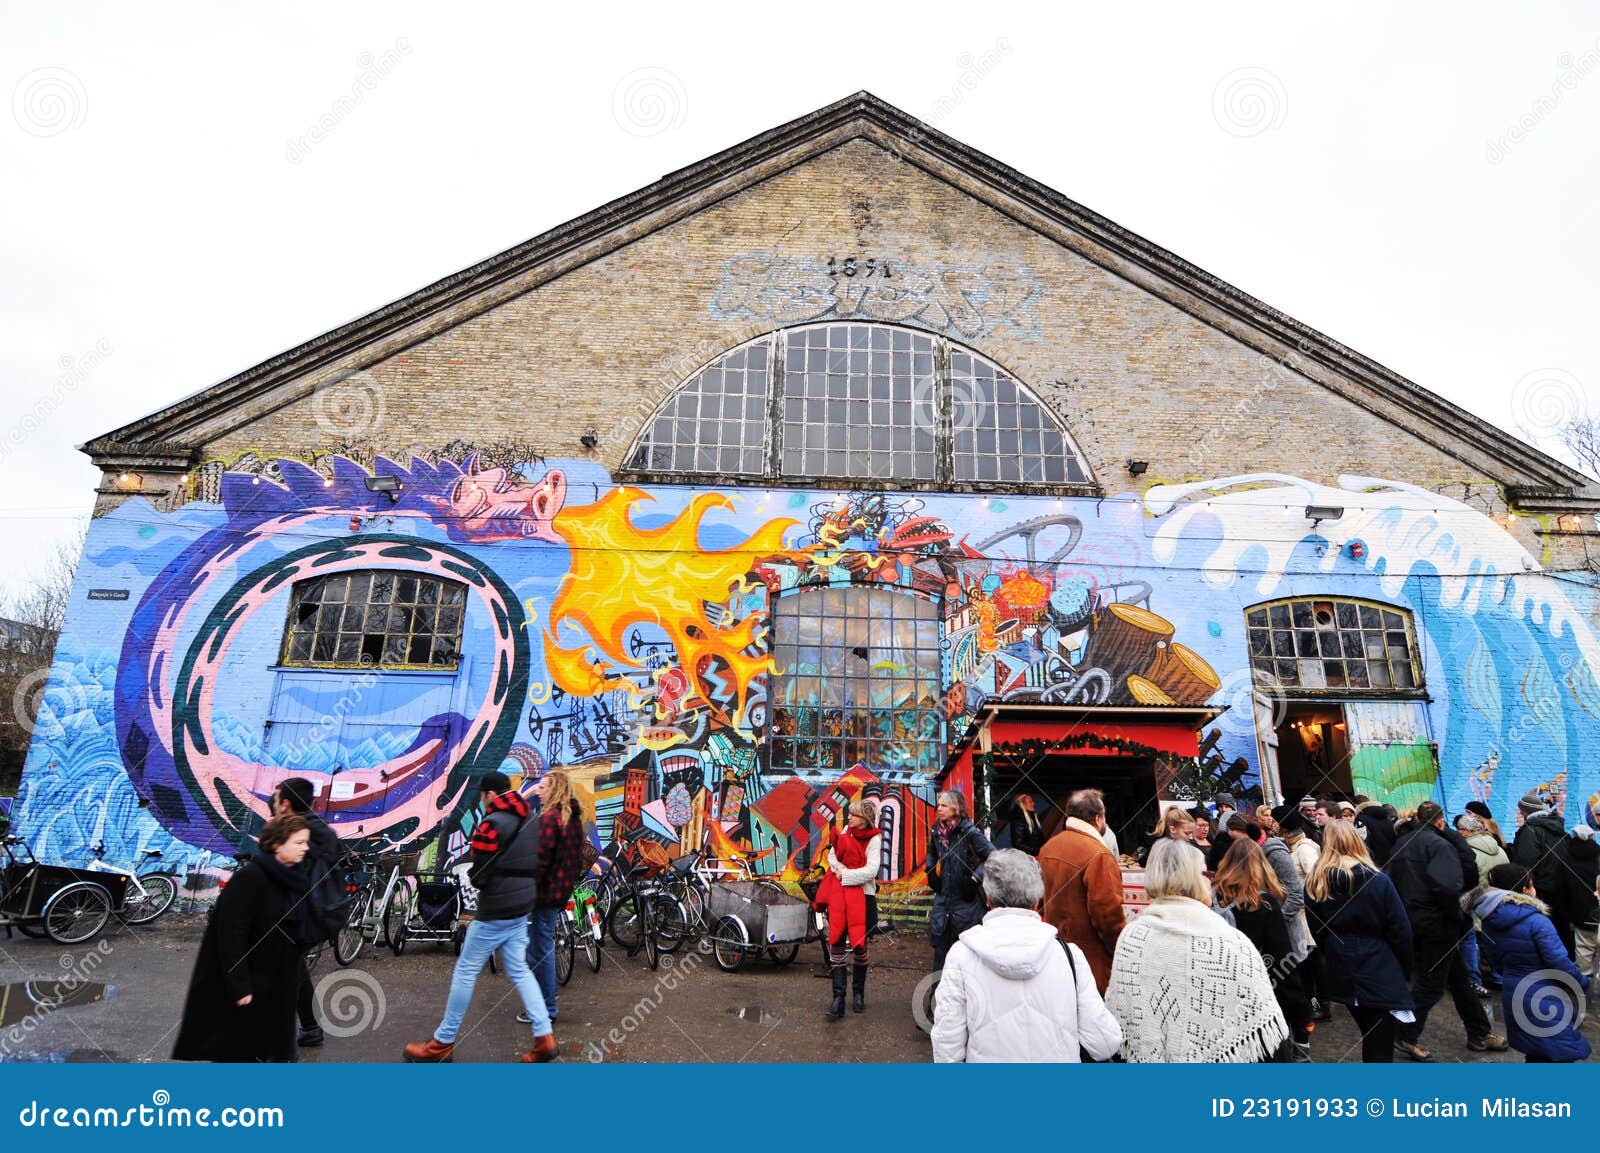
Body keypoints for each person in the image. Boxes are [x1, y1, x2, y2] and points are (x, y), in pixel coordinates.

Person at [404, 772, 557, 1063]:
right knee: (520, 970)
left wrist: (481, 880)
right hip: (521, 906)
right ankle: (544, 1036)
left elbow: (479, 867)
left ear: (488, 794)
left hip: (494, 911)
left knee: (465, 971)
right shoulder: (532, 819)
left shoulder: (491, 824)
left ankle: (442, 1042)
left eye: (481, 795)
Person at [931, 849, 1122, 1062]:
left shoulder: (961, 955)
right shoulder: (1070, 957)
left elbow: (947, 1048)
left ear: (988, 899)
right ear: (1037, 902)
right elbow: (1105, 1042)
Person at [1105, 840, 1288, 1062]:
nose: (1210, 879)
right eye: (1204, 873)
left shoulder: (1132, 937)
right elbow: (1267, 1042)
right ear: (1192, 879)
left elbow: (1119, 1024)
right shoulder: (1232, 943)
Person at [173, 815, 314, 1062]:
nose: (306, 847)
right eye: (299, 842)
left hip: (278, 985)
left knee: (275, 1052)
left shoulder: (292, 877)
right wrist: (240, 986)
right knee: (240, 1053)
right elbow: (230, 935)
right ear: (278, 844)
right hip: (250, 987)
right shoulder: (251, 878)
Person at [1384, 801, 1503, 1060]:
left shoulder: (1402, 843)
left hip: (1412, 921)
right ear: (1440, 822)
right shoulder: (1439, 845)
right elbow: (1449, 886)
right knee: (1431, 984)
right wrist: (1455, 916)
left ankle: (1479, 1031)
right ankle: (1405, 1034)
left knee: (1458, 979)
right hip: (1436, 923)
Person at [1302, 820, 1414, 1062]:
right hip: (1377, 963)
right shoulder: (1378, 880)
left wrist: (1331, 952)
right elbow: (1400, 929)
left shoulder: (1316, 882)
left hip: (1340, 963)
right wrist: (1404, 968)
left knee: (1372, 1033)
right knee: (1380, 1041)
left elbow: (1317, 928)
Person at [1470, 864, 1592, 1063]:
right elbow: (1558, 961)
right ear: (1525, 890)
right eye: (1531, 885)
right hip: (1544, 993)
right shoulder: (1537, 921)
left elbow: (1494, 960)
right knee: (1560, 1052)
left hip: (1514, 990)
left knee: (1536, 1050)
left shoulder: (1489, 920)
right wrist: (1582, 981)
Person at [1214, 839, 1313, 1060]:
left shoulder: (1214, 903)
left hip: (1225, 1002)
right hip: (1262, 1000)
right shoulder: (1264, 905)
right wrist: (1300, 1007)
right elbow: (1282, 960)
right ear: (1261, 866)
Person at [270, 777, 339, 1049]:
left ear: (285, 803)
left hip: (292, 915)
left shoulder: (294, 832)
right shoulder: (321, 829)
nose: (272, 803)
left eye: (276, 798)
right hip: (313, 914)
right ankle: (310, 1028)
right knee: (294, 969)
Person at [1038, 788, 1127, 992]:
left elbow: (1041, 904)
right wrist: (1119, 953)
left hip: (1056, 956)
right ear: (1097, 819)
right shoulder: (1098, 854)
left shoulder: (1048, 848)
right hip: (1091, 964)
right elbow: (1108, 917)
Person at [521, 769, 587, 1028]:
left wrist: (525, 888)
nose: (539, 791)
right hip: (559, 891)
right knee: (538, 946)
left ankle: (545, 1007)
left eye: (543, 787)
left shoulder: (550, 818)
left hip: (542, 893)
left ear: (555, 789)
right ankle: (543, 1004)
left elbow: (539, 860)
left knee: (538, 949)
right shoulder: (571, 818)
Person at [816, 798, 881, 1019]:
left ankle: (858, 993)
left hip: (863, 897)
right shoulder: (846, 831)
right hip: (840, 896)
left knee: (860, 946)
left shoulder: (874, 839)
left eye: (854, 815)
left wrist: (847, 876)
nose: (849, 817)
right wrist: (840, 868)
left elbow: (871, 870)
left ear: (865, 820)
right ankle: (838, 998)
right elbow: (832, 855)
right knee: (836, 942)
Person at [924, 790, 994, 969]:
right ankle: (936, 996)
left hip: (966, 903)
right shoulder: (936, 831)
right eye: (938, 805)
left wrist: (975, 877)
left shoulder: (969, 832)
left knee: (965, 958)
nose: (938, 808)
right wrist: (931, 871)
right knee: (940, 957)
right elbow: (932, 851)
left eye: (943, 805)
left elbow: (993, 856)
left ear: (955, 808)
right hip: (943, 901)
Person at [1456, 812, 1509, 994]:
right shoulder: (1500, 849)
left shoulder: (1467, 853)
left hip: (1475, 902)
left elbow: (1464, 881)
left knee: (1470, 942)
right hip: (1498, 902)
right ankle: (1498, 976)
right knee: (1492, 941)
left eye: (1459, 829)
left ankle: (1474, 980)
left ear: (1466, 831)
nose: (1458, 833)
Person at [1550, 823, 1599, 983]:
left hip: (1580, 914)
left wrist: (1566, 914)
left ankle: (1584, 984)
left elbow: (1560, 890)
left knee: (1583, 951)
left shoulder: (1565, 859)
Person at [1511, 790, 1567, 908]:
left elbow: (1526, 863)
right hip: (1559, 891)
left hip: (1537, 893)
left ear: (1525, 813)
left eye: (1520, 812)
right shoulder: (1559, 830)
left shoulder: (1530, 831)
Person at [1353, 797, 1396, 865]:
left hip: (1373, 863)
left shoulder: (1361, 819)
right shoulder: (1387, 819)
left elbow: (1363, 842)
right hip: (1390, 861)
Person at [1006, 792, 1047, 856]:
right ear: (1023, 805)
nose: (1033, 803)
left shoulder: (1033, 818)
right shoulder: (1019, 819)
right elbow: (1018, 844)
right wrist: (1037, 851)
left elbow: (1039, 838)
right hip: (1027, 859)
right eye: (1030, 802)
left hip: (1036, 857)